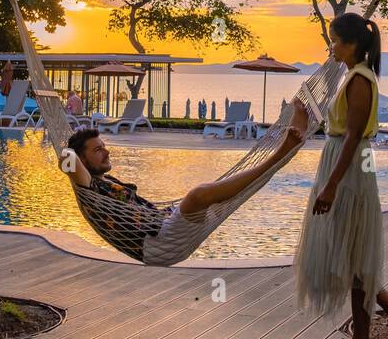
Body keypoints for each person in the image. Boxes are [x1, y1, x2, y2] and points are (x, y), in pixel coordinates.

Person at [294, 11, 388, 339]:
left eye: (336, 40)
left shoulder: (360, 80)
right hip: (343, 166)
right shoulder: (353, 76)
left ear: (352, 44)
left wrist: (331, 187)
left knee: (354, 258)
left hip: (349, 171)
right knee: (353, 259)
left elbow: (353, 136)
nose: (331, 46)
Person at [65, 102, 308, 265]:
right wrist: (65, 151)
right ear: (82, 159)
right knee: (199, 195)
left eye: (104, 147)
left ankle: (284, 154)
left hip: (164, 228)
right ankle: (280, 153)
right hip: (158, 244)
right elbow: (67, 159)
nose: (107, 153)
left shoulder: (102, 180)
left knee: (218, 192)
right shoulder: (88, 185)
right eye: (98, 150)